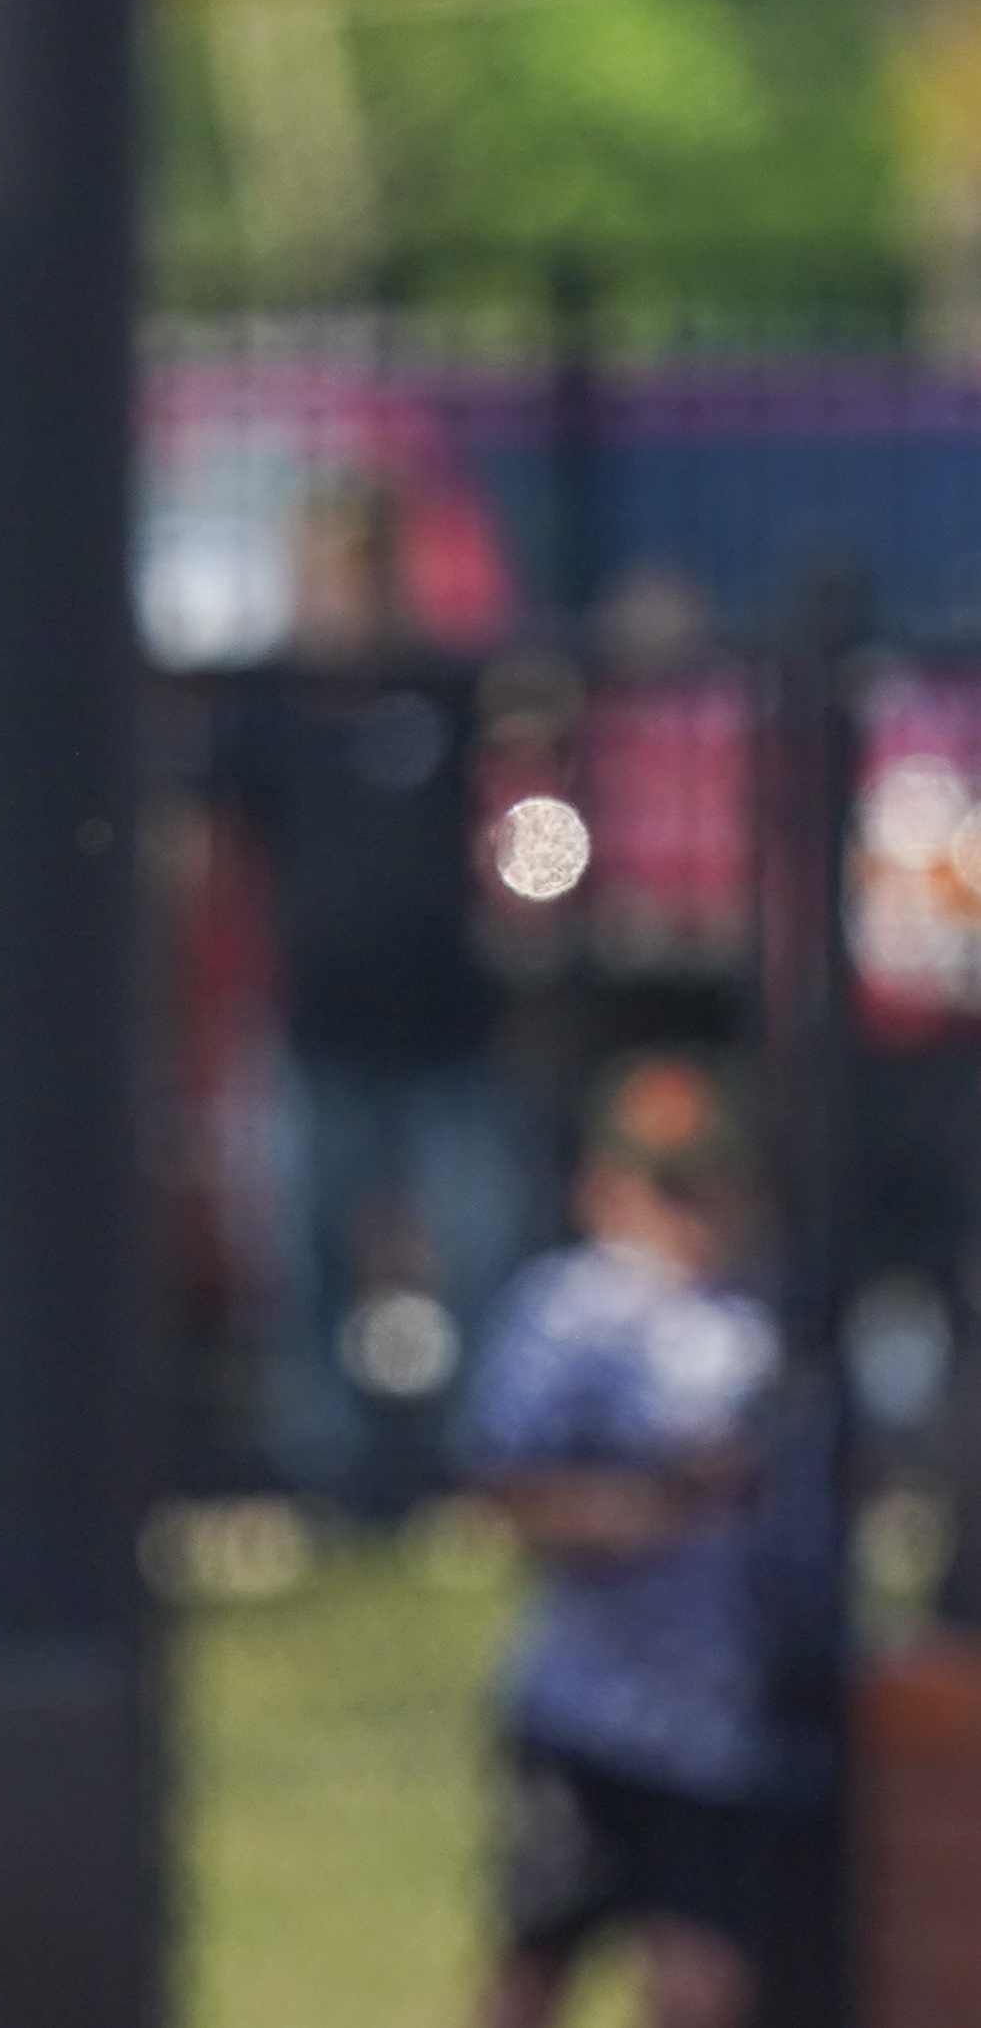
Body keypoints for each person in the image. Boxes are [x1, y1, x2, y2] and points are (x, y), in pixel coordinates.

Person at [211, 479, 532, 1511]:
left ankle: (492, 1467)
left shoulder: (440, 688)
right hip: (315, 1031)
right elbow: (207, 851)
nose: (342, 594)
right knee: (302, 1256)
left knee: (481, 1247)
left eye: (362, 569)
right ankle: (325, 1477)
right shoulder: (261, 709)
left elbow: (533, 733)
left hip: (447, 1029)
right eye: (326, 569)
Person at [457, 1053, 779, 2028]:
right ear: (602, 1189)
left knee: (699, 1978)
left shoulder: (760, 1312)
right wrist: (646, 1509)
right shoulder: (573, 1311)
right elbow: (500, 1484)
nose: (693, 1214)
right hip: (586, 1709)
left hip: (711, 1716)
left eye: (710, 1185)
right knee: (534, 1957)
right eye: (667, 1188)